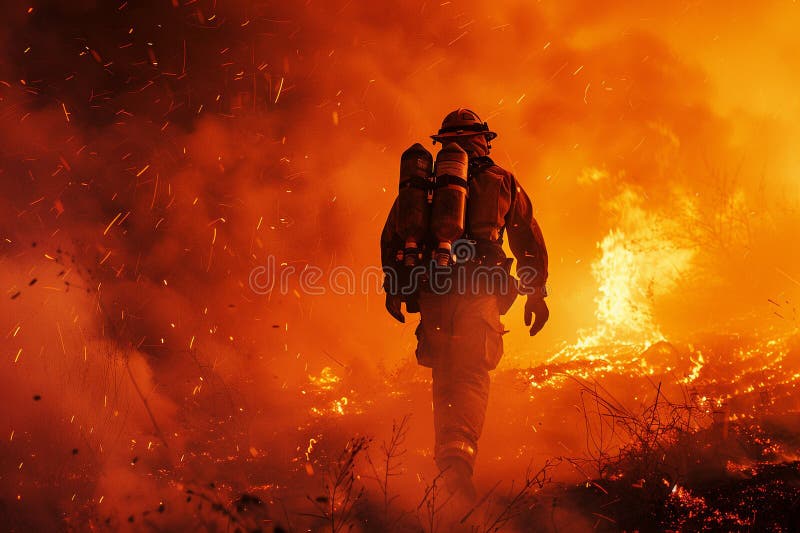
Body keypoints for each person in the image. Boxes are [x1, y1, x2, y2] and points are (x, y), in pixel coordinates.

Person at [380, 108, 549, 500]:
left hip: (434, 292)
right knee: (471, 372)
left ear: (442, 145)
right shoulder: (502, 180)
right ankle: (459, 464)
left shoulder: (421, 191)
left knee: (445, 374)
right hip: (479, 290)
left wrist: (394, 286)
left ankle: (447, 463)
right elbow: (528, 241)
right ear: (483, 141)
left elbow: (391, 236)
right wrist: (536, 293)